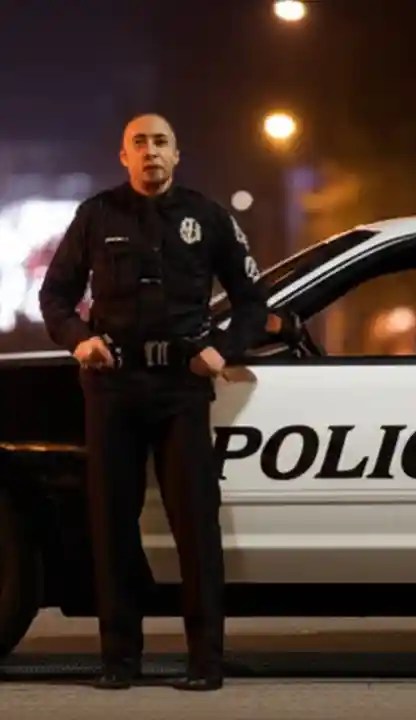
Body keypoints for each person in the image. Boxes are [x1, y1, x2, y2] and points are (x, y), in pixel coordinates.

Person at [38, 113, 267, 691]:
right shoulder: (96, 215)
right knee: (112, 526)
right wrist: (78, 339)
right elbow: (56, 294)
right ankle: (119, 660)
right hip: (112, 388)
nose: (150, 153)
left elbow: (251, 299)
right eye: (138, 144)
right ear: (123, 156)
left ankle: (204, 662)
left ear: (177, 153)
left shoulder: (208, 216)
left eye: (160, 142)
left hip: (180, 391)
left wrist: (222, 348)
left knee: (196, 525)